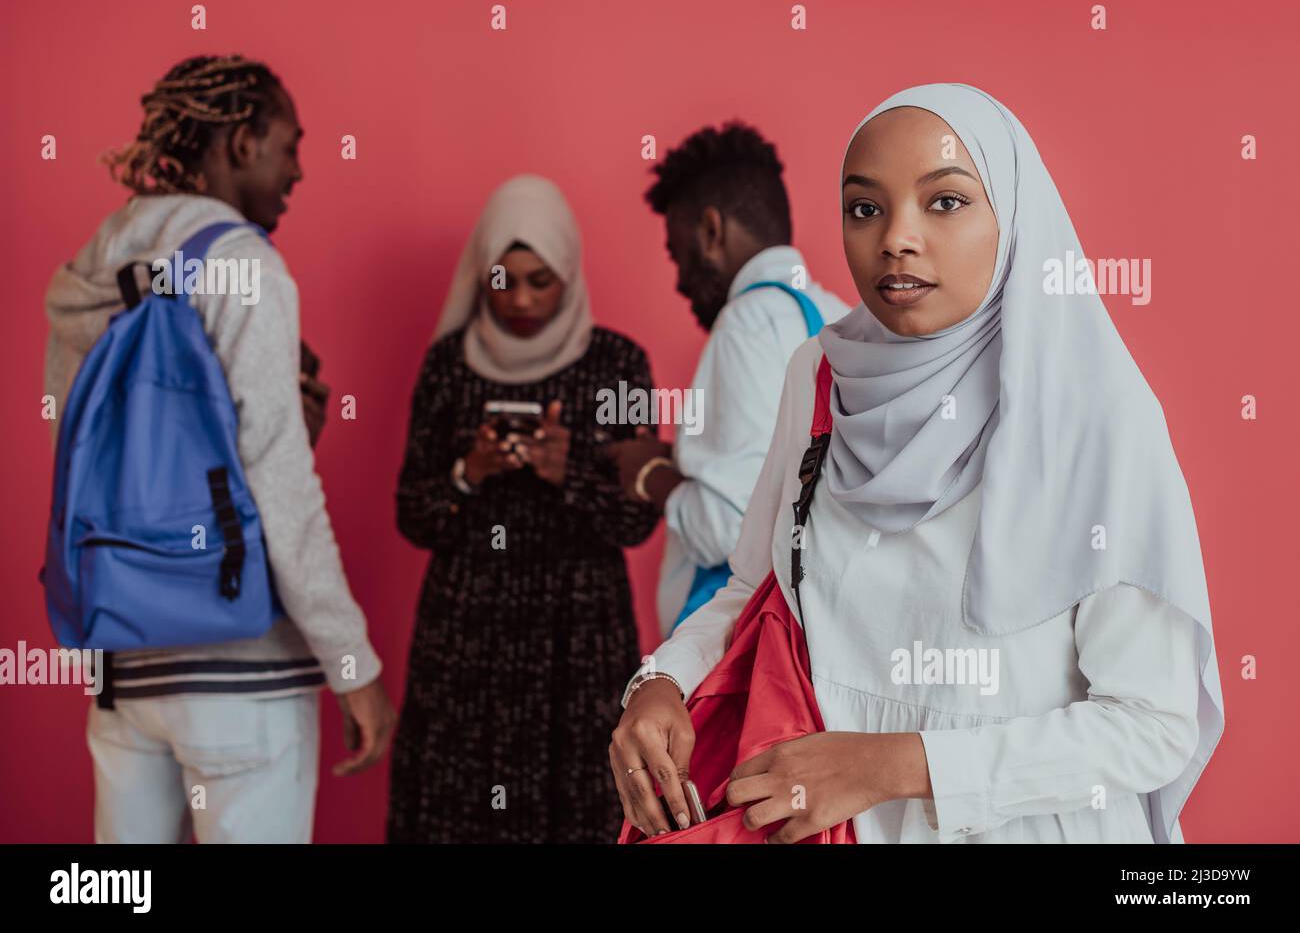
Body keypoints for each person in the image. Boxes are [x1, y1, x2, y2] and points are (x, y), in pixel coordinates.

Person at [610, 83, 1224, 844]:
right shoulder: (820, 374)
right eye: (865, 208)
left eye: (946, 203)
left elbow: (1150, 724)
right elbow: (756, 584)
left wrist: (895, 765)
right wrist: (661, 681)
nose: (896, 238)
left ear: (1013, 218)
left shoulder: (1093, 416)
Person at [43, 55, 396, 843]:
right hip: (241, 674)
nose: (300, 169)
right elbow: (278, 481)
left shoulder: (94, 267)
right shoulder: (243, 266)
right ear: (242, 141)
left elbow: (100, 455)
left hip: (124, 670)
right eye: (289, 144)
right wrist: (353, 665)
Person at [387, 174, 659, 843]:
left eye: (544, 279)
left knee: (582, 810)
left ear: (569, 269)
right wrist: (467, 471)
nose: (526, 300)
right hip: (466, 640)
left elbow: (640, 517)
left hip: (579, 637)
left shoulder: (618, 364)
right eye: (506, 281)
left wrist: (571, 472)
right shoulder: (450, 366)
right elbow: (412, 516)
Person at [606, 123, 848, 640]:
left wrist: (651, 475)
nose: (678, 279)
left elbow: (731, 528)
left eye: (678, 254)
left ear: (711, 231)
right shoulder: (842, 318)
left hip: (735, 647)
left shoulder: (744, 324)